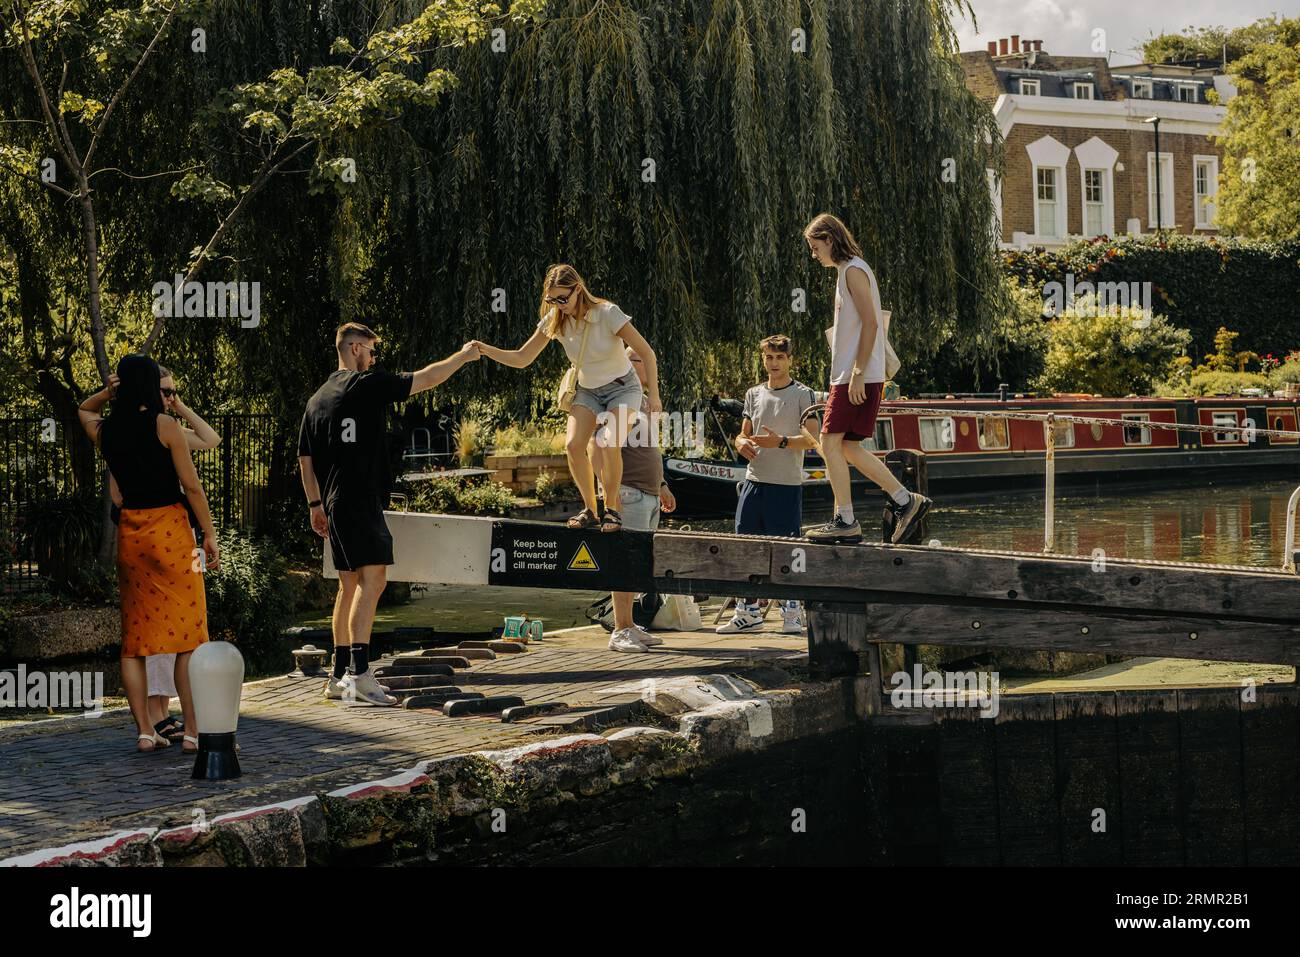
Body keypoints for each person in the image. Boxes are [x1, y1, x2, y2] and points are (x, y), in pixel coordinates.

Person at [298, 323, 480, 706]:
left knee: (348, 585)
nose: (374, 358)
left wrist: (315, 504)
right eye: (372, 351)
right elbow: (426, 379)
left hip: (333, 501)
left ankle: (337, 675)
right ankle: (360, 675)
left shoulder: (317, 399)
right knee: (375, 579)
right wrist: (463, 357)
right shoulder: (363, 385)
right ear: (355, 348)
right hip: (359, 499)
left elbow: (305, 458)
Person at [78, 354, 217, 753]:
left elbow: (83, 408)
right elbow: (191, 488)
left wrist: (108, 392)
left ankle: (144, 731)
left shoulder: (107, 430)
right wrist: (208, 534)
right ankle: (192, 731)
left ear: (124, 385)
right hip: (171, 531)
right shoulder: (166, 425)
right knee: (190, 636)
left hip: (131, 535)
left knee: (135, 641)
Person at [473, 264, 661, 533]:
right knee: (573, 445)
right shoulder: (554, 320)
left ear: (578, 290)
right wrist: (486, 350)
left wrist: (653, 395)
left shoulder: (607, 313)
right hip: (588, 390)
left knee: (608, 442)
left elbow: (648, 353)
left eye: (564, 298)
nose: (559, 305)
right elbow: (522, 358)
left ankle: (613, 510)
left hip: (623, 388)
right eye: (553, 299)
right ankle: (590, 509)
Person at [802, 213, 930, 544]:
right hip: (855, 375)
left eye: (816, 248)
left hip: (854, 376)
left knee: (830, 443)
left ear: (830, 240)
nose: (815, 256)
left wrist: (857, 373)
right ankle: (904, 500)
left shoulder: (853, 271)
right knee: (847, 446)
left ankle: (845, 520)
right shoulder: (850, 271)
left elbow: (872, 323)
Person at [717, 334, 819, 634]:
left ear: (789, 360)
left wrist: (781, 441)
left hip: (785, 485)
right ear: (763, 360)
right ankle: (747, 612)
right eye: (769, 358)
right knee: (745, 547)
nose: (774, 363)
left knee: (786, 550)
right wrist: (739, 442)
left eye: (779, 358)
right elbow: (743, 433)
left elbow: (812, 440)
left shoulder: (804, 394)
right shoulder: (752, 394)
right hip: (753, 481)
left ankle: (791, 613)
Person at [591, 347, 676, 652]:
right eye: (632, 359)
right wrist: (609, 496)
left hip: (649, 493)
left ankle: (630, 625)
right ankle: (620, 629)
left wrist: (663, 484)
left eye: (636, 359)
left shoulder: (642, 402)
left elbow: (651, 449)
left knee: (639, 563)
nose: (635, 363)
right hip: (628, 491)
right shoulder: (615, 400)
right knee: (625, 562)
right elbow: (597, 448)